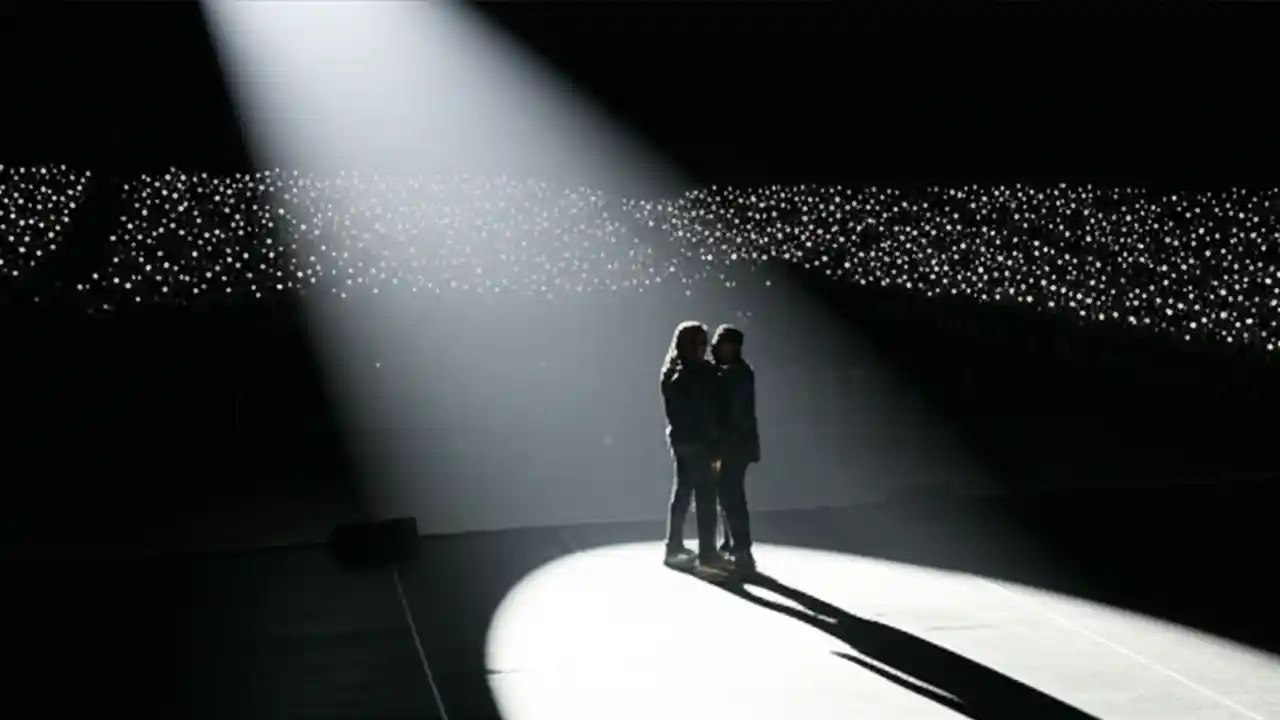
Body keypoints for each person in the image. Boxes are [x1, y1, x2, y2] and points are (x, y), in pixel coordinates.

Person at [660, 321, 728, 572]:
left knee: (683, 493)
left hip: (683, 441)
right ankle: (707, 553)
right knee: (705, 497)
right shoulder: (692, 374)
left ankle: (674, 546)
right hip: (698, 442)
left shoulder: (674, 372)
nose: (701, 348)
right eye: (697, 343)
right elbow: (704, 412)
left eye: (703, 343)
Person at [711, 324, 760, 572]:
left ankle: (740, 548)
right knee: (729, 496)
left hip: (734, 445)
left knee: (731, 497)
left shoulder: (736, 374)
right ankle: (733, 545)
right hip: (736, 444)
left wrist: (723, 446)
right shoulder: (736, 372)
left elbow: (735, 415)